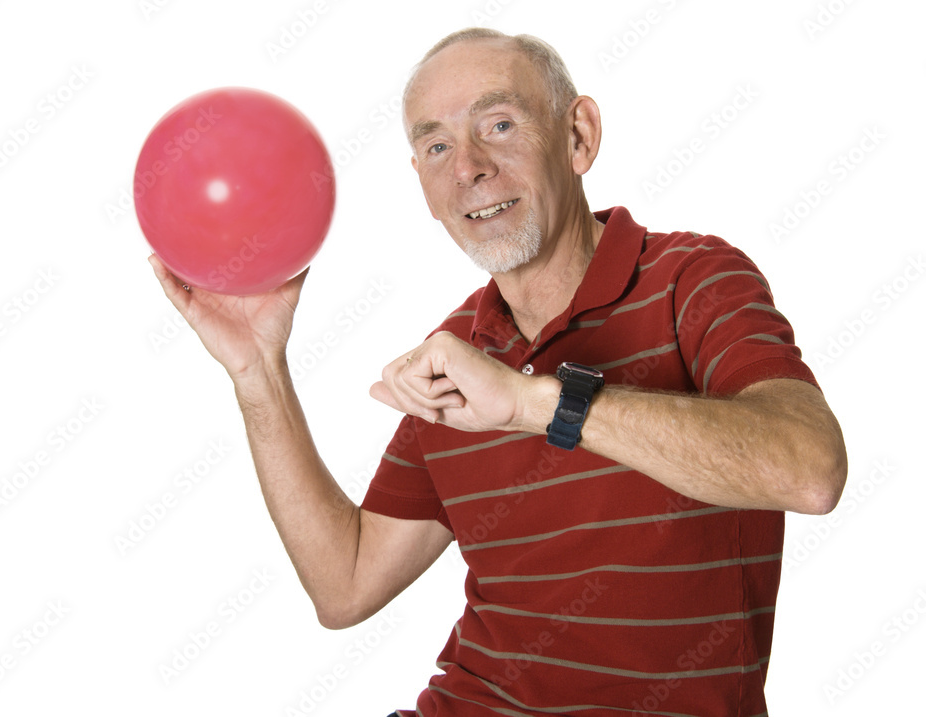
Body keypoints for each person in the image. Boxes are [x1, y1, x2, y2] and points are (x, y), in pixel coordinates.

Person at [149, 27, 847, 717]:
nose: (469, 167)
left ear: (578, 136)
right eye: (437, 145)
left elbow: (808, 471)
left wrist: (532, 403)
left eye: (500, 124)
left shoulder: (690, 281)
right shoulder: (459, 348)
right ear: (420, 179)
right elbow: (346, 585)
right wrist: (258, 369)